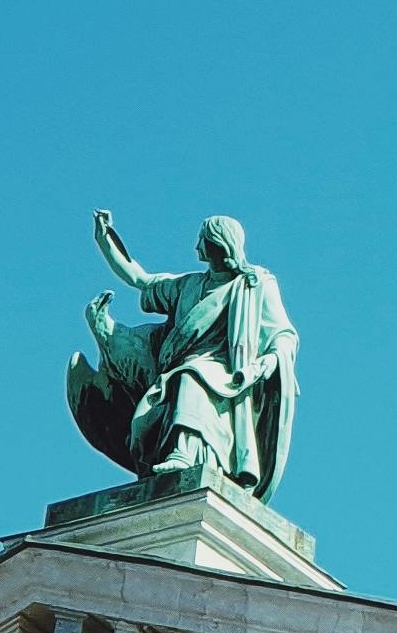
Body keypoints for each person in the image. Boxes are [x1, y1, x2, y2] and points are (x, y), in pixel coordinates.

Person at [68, 211, 297, 499]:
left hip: (225, 373)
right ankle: (180, 457)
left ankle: (184, 454)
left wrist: (270, 360)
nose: (196, 246)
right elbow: (139, 278)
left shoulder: (255, 284)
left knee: (192, 376)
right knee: (173, 388)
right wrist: (105, 240)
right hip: (176, 370)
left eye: (201, 239)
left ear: (218, 244)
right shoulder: (187, 286)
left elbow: (283, 334)